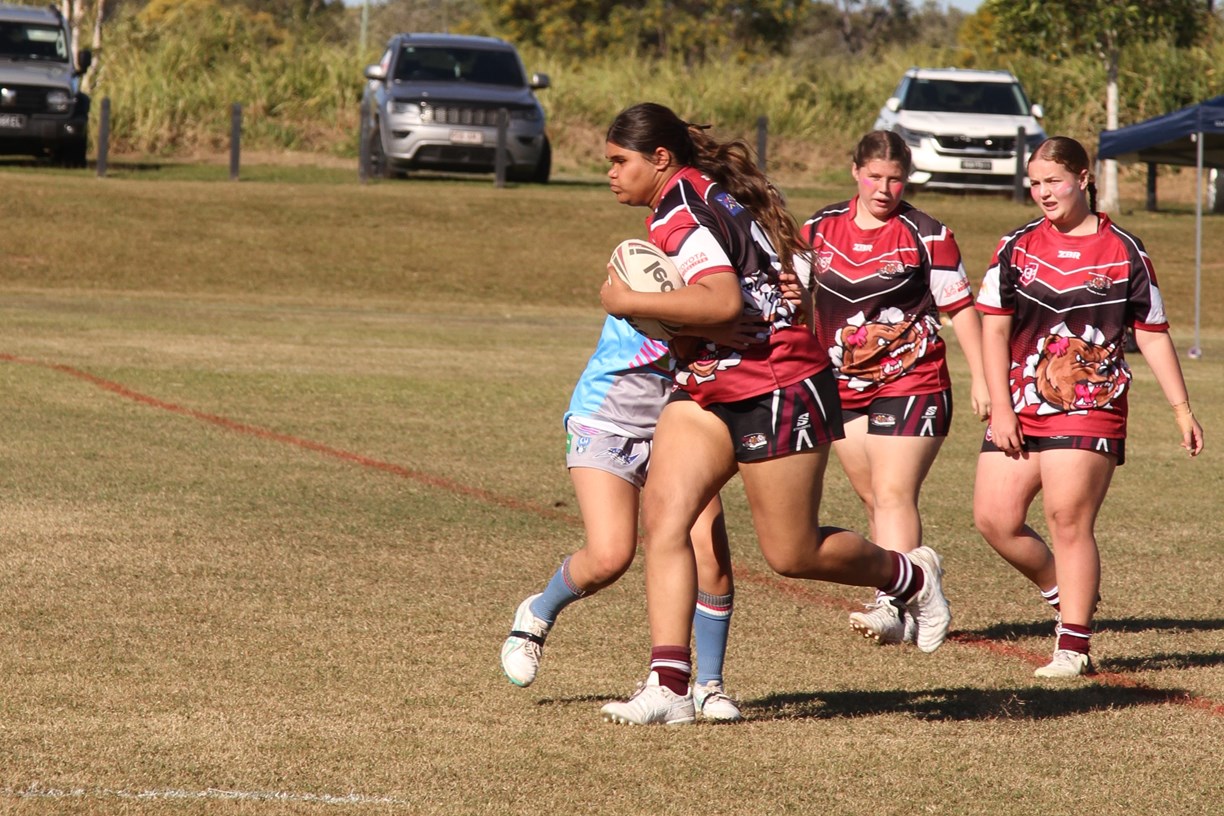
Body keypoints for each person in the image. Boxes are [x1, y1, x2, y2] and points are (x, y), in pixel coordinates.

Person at [596, 102, 951, 726]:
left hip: (778, 380)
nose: (611, 174)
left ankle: (911, 579)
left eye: (619, 162)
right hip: (711, 381)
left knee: (791, 552)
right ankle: (671, 684)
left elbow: (722, 299)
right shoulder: (699, 194)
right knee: (667, 518)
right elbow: (745, 292)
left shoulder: (682, 209)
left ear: (659, 158)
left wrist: (625, 299)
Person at [974, 136, 1204, 678]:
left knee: (1066, 516)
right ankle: (1068, 595)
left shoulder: (1124, 248)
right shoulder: (1016, 246)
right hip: (1024, 402)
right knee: (994, 519)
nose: (1042, 192)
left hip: (1091, 402)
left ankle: (1073, 646)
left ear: (1084, 177)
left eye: (1053, 181)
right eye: (1034, 182)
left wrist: (1181, 408)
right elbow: (994, 328)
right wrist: (1002, 407)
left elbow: (1151, 333)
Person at [499, 314, 743, 721]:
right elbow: (673, 324)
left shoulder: (727, 275)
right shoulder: (652, 269)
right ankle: (537, 615)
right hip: (608, 420)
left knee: (710, 554)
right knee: (610, 556)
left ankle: (709, 686)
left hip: (681, 425)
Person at [800, 130, 989, 646]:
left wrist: (982, 379)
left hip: (913, 377)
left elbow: (959, 309)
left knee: (892, 492)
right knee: (871, 495)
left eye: (896, 179)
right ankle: (910, 595)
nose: (885, 188)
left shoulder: (927, 234)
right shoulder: (818, 228)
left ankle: (890, 604)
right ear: (855, 171)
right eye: (875, 176)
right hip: (840, 384)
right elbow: (793, 298)